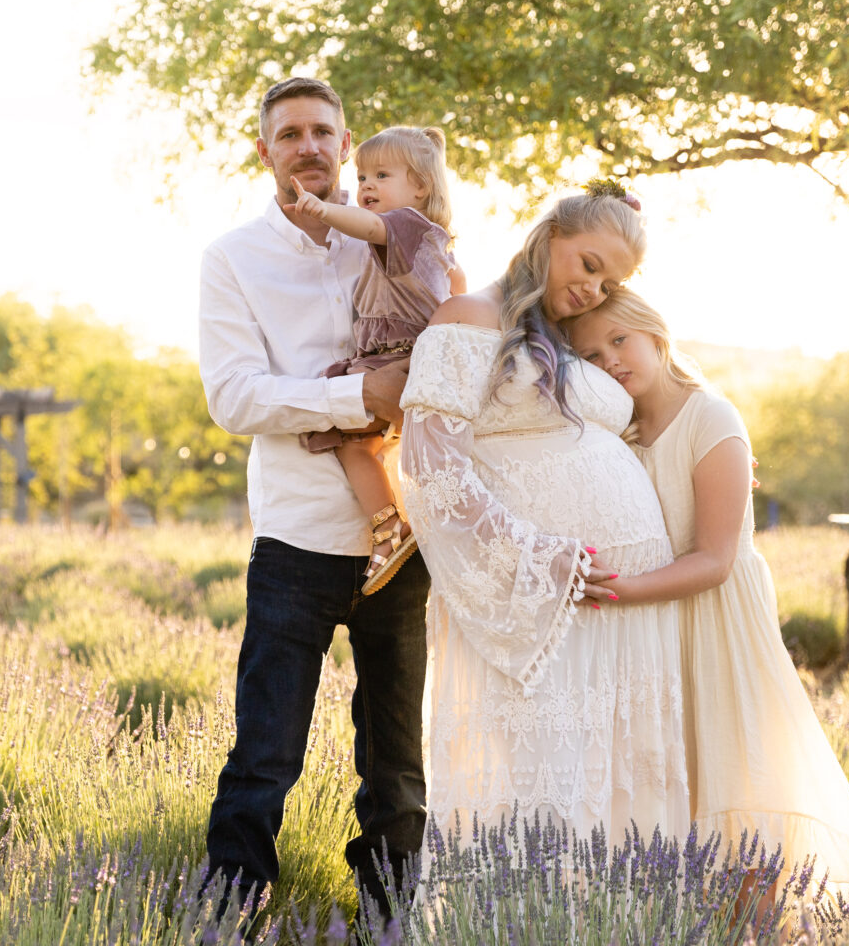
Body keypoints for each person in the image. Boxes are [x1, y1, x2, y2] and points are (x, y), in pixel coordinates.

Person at [568, 287, 849, 899]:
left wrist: (623, 591)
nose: (609, 360)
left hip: (719, 621)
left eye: (619, 340)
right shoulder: (620, 432)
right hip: (658, 626)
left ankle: (758, 929)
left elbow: (715, 561)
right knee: (682, 795)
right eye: (589, 355)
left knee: (739, 790)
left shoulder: (711, 418)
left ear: (655, 335)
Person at [397, 180, 689, 855]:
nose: (594, 289)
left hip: (624, 602)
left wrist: (705, 457)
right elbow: (430, 467)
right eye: (589, 265)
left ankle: (624, 910)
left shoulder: (570, 340)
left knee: (617, 784)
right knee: (542, 787)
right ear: (551, 234)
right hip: (538, 598)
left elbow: (644, 404)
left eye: (610, 282)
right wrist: (540, 562)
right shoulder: (469, 318)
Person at [198, 76, 431, 919]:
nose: (308, 146)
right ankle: (228, 919)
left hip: (403, 542)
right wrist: (355, 397)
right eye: (290, 133)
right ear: (264, 150)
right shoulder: (232, 259)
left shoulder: (390, 238)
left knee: (397, 768)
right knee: (264, 757)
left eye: (322, 132)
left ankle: (389, 923)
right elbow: (234, 398)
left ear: (345, 143)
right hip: (295, 544)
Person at [283, 125, 468, 595]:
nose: (366, 186)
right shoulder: (431, 242)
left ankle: (389, 526)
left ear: (420, 187)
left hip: (392, 360)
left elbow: (368, 227)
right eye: (362, 176)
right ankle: (407, 524)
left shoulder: (405, 225)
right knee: (378, 448)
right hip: (401, 357)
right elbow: (456, 290)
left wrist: (323, 210)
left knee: (349, 440)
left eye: (381, 176)